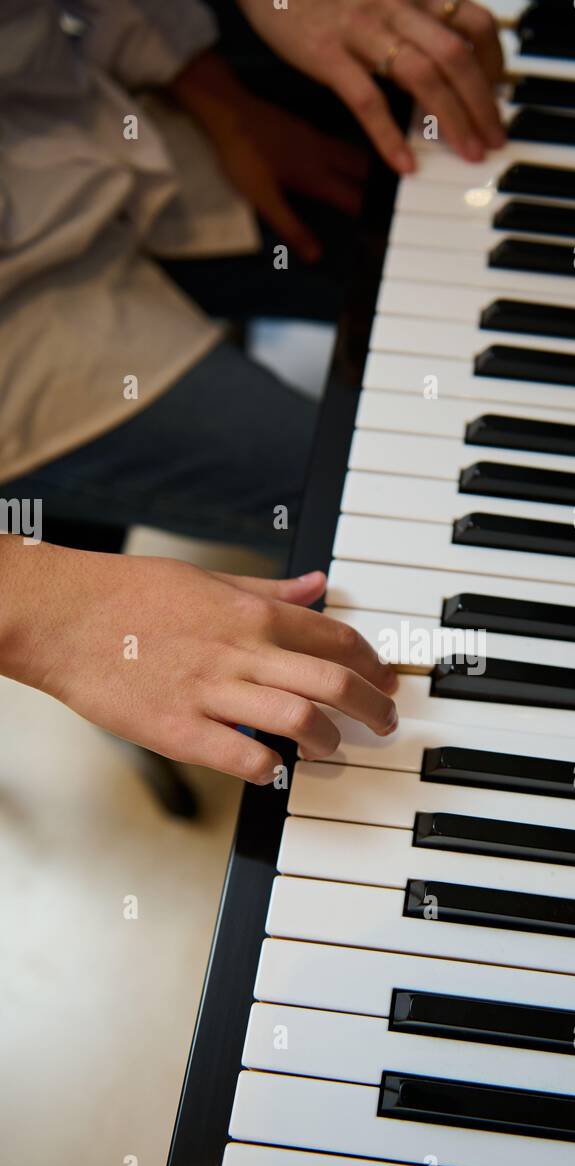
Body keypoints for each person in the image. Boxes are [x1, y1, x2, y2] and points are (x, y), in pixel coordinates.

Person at [0, 0, 504, 783]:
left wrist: (215, 90)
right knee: (384, 513)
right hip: (22, 352)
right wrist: (38, 607)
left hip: (78, 131)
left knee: (438, 227)